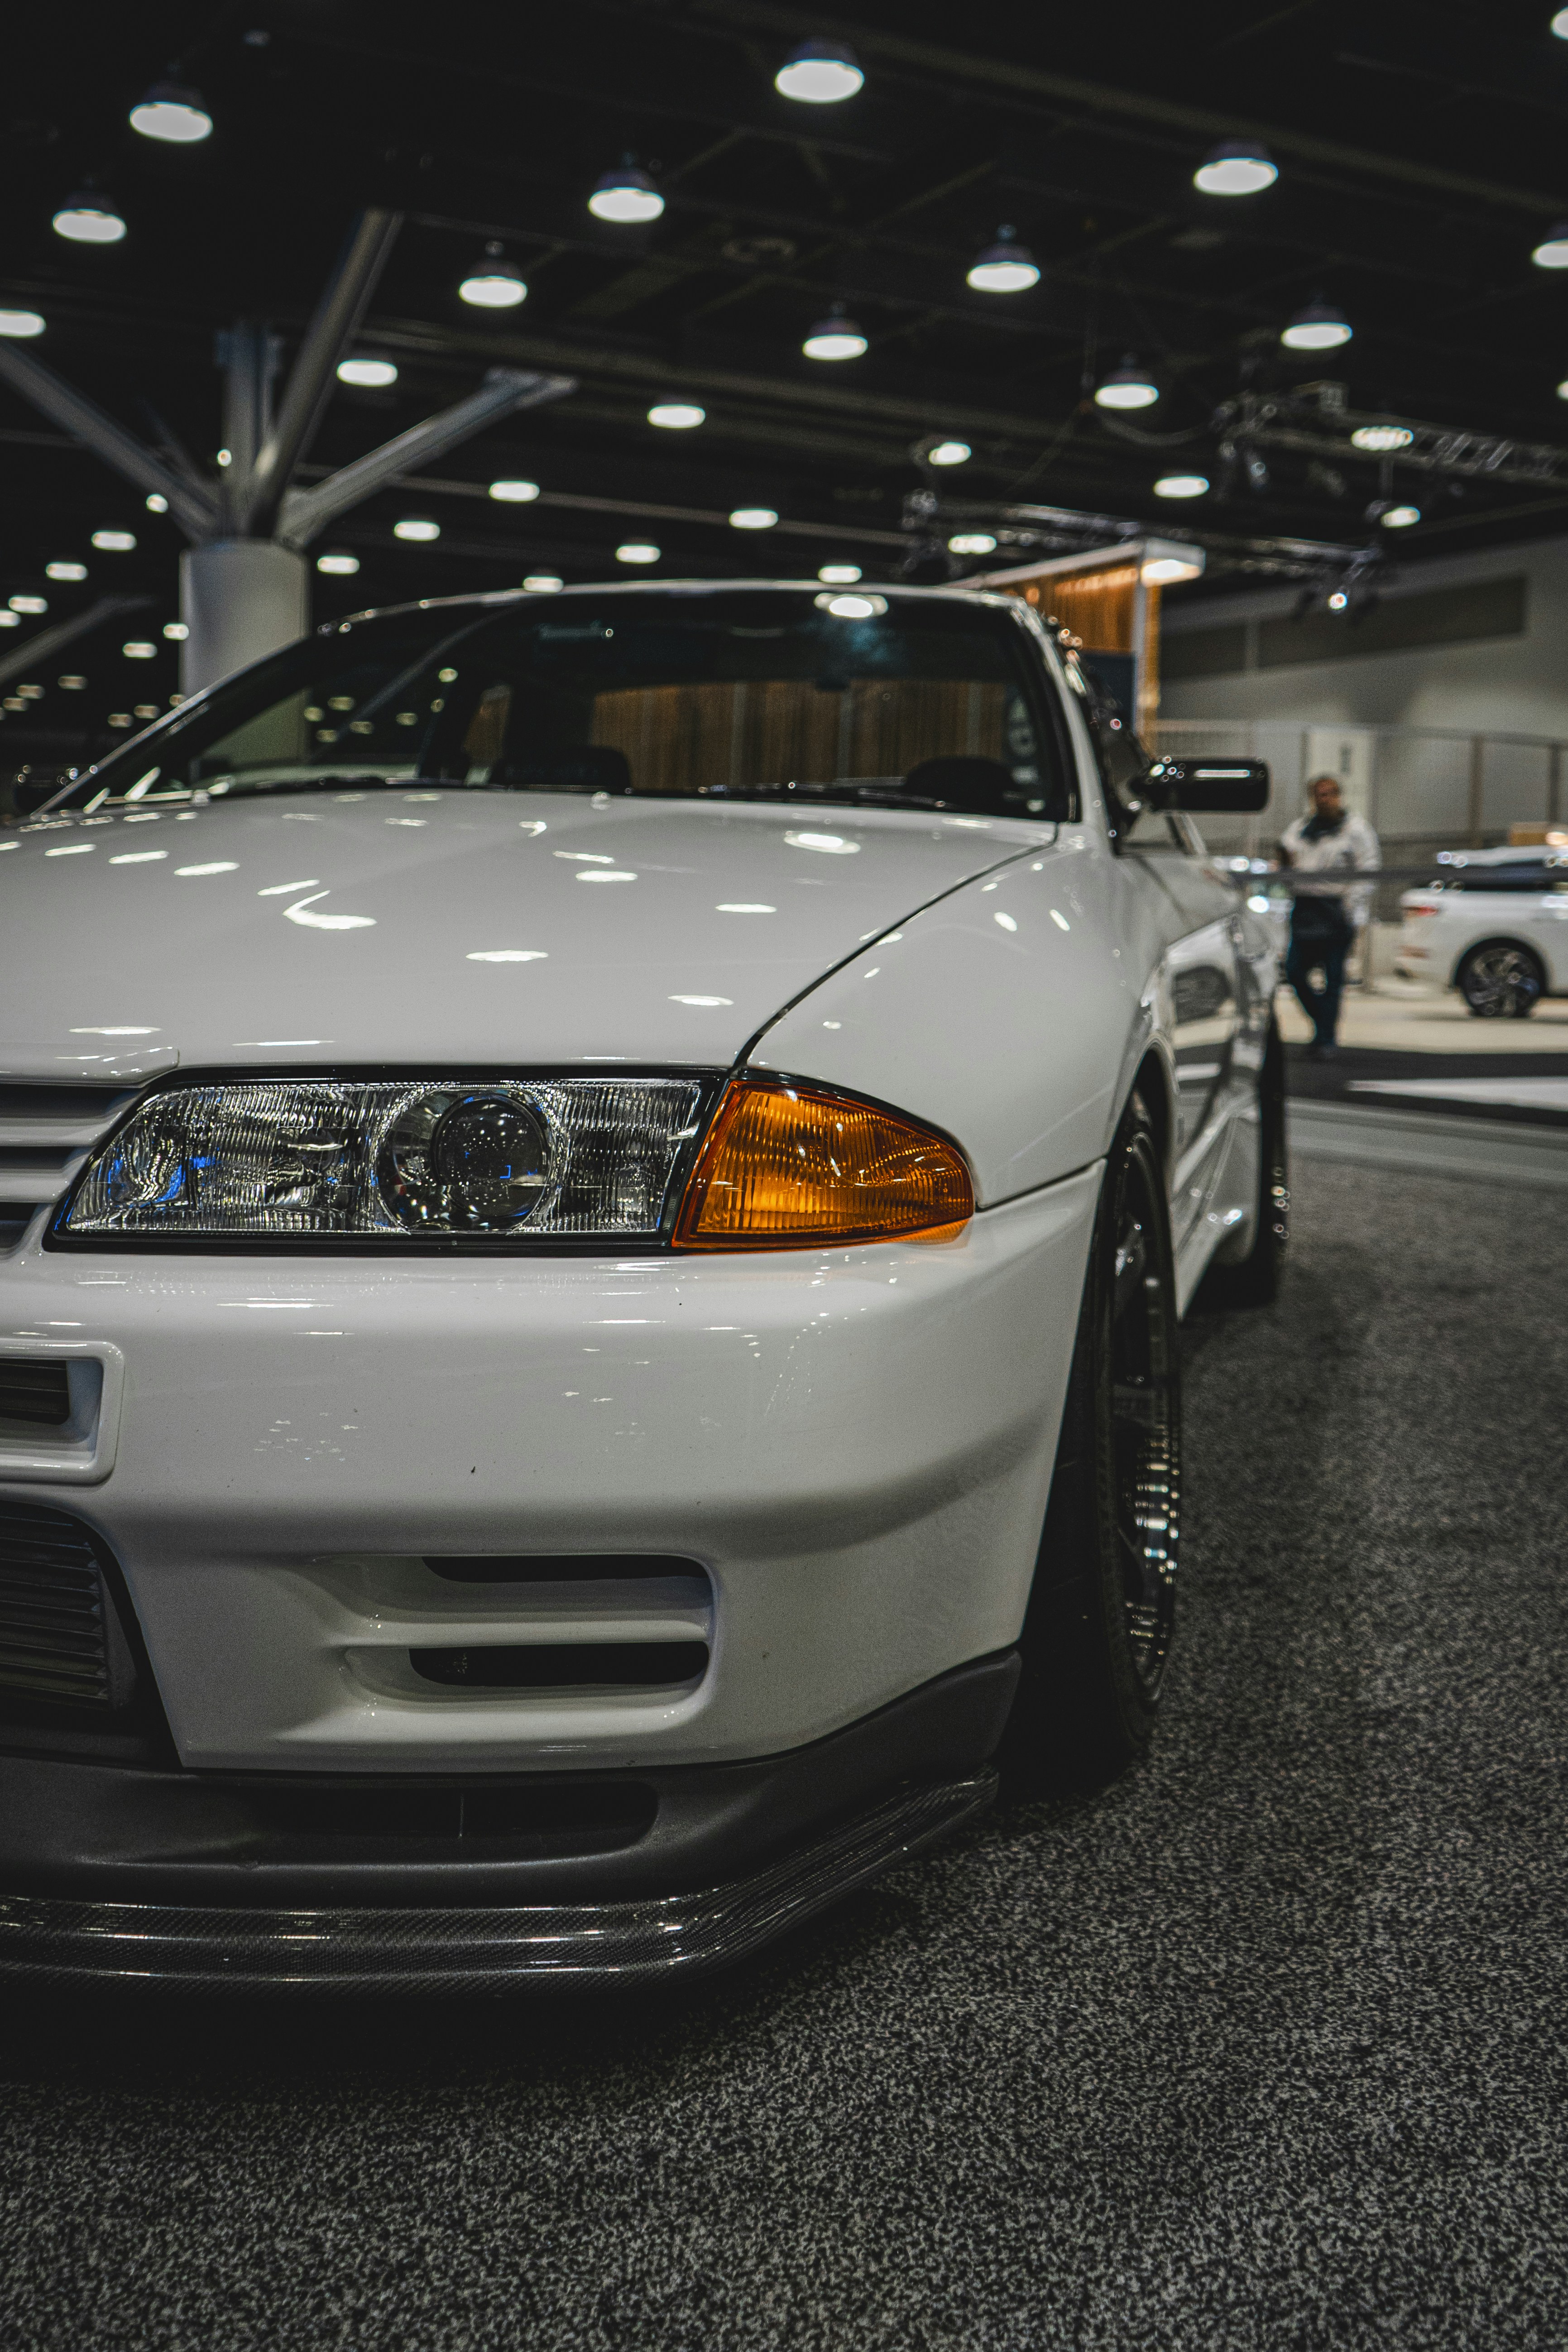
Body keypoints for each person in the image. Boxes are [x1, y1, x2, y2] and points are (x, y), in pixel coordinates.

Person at [1278, 774, 1380, 1058]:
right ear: (1312, 798)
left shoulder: (1356, 830)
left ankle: (1326, 1039)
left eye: (1331, 793)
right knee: (1296, 972)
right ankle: (1322, 1024)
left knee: (1333, 979)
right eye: (1320, 794)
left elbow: (1369, 869)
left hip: (1336, 910)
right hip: (1306, 909)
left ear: (1339, 795)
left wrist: (1351, 908)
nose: (1325, 799)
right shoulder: (1299, 830)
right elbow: (1286, 866)